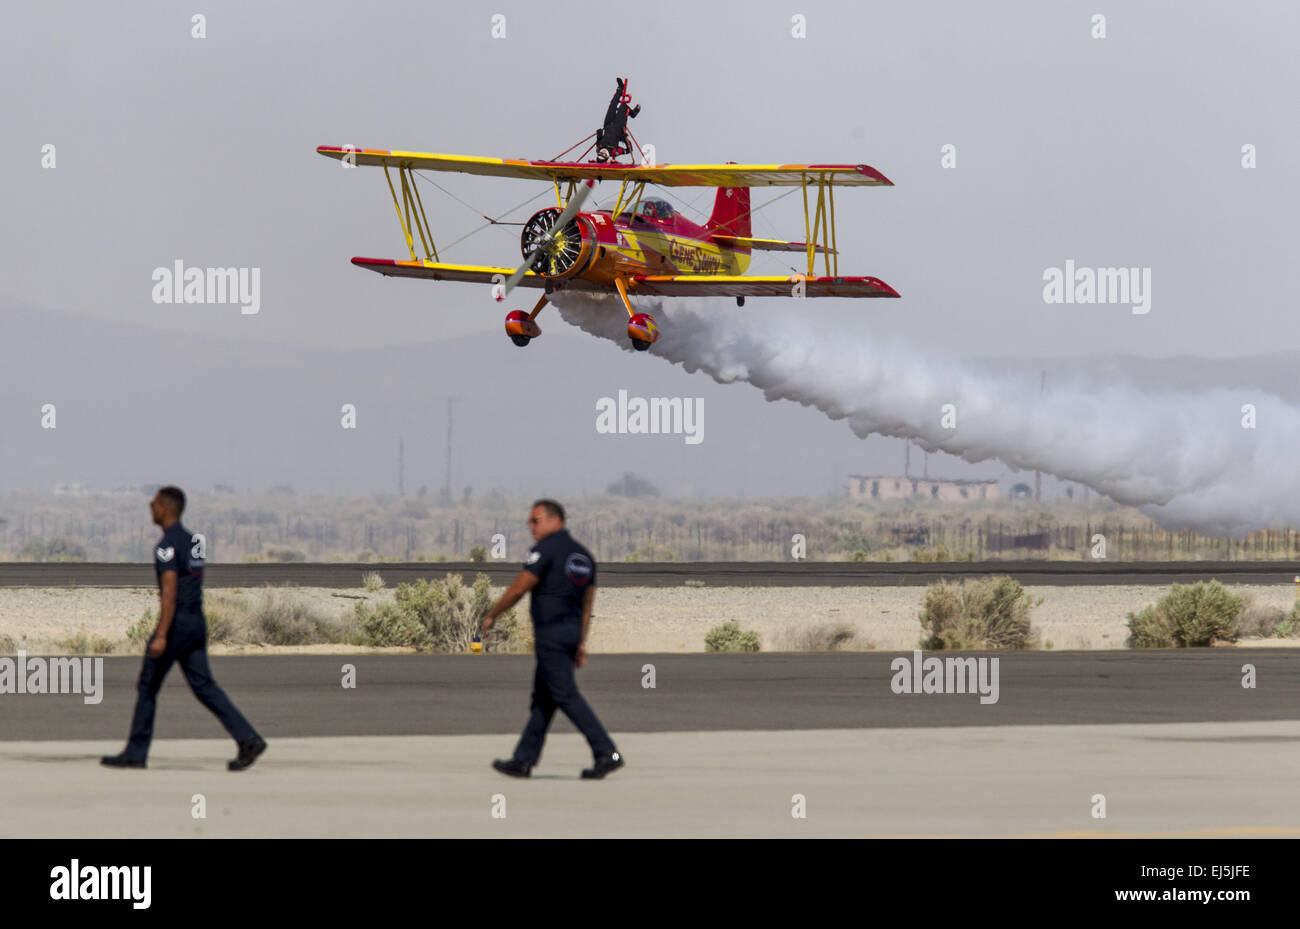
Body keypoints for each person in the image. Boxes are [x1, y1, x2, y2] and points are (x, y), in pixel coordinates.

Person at [101, 486, 267, 771]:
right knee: (204, 686)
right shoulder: (194, 542)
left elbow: (169, 592)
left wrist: (162, 635)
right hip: (196, 622)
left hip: (175, 624)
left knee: (148, 685)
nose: (150, 508)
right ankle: (247, 738)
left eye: (153, 504)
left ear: (165, 508)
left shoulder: (166, 546)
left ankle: (136, 753)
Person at [482, 499, 623, 779]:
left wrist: (492, 614)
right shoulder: (583, 556)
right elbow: (587, 604)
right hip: (570, 634)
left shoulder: (544, 550)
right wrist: (581, 641)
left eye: (535, 521)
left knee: (565, 695)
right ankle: (523, 761)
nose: (530, 526)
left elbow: (520, 588)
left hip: (552, 636)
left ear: (553, 520)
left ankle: (607, 751)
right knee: (544, 700)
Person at [594, 77, 641, 163]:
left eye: (600, 154)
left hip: (608, 125)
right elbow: (628, 150)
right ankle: (632, 113)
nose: (602, 152)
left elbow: (599, 139)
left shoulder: (598, 148)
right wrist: (626, 139)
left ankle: (620, 89)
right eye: (604, 155)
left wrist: (599, 135)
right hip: (618, 128)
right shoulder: (614, 152)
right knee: (623, 106)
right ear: (607, 156)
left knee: (612, 105)